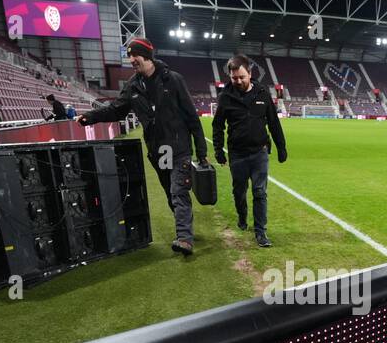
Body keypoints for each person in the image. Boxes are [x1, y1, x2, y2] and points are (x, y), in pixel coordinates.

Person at [79, 38, 209, 256]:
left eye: (134, 55)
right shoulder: (132, 86)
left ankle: (184, 238)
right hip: (157, 151)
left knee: (179, 192)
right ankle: (184, 229)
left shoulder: (173, 80)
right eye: (129, 56)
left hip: (179, 149)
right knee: (170, 194)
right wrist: (90, 117)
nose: (131, 60)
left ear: (147, 55)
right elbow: (116, 110)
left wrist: (202, 151)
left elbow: (191, 117)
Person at [212, 55, 287, 248]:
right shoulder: (225, 97)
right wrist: (218, 151)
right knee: (239, 192)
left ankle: (261, 232)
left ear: (250, 74)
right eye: (234, 78)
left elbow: (273, 122)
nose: (238, 81)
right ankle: (242, 215)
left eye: (242, 77)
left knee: (260, 192)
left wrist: (281, 147)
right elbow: (217, 126)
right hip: (237, 155)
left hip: (260, 153)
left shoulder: (262, 93)